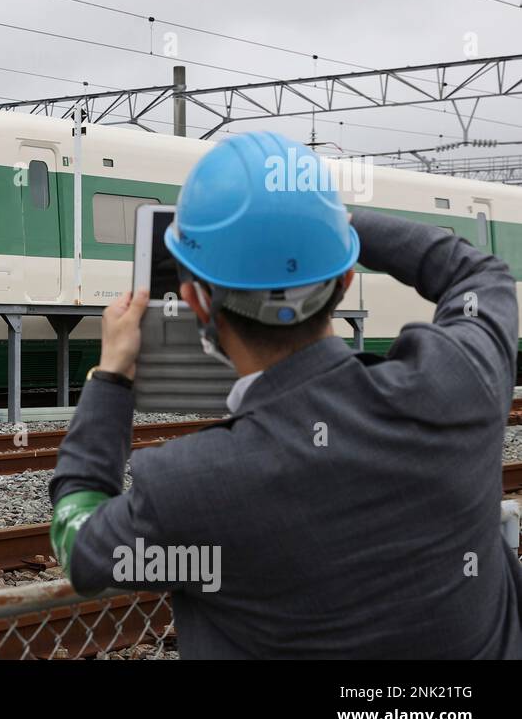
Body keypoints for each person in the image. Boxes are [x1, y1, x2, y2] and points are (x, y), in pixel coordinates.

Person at [49, 130, 522, 658]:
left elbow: (79, 542)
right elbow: (479, 272)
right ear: (344, 280)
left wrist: (110, 379)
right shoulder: (457, 384)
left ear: (197, 305)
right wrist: (322, 227)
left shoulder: (188, 487)